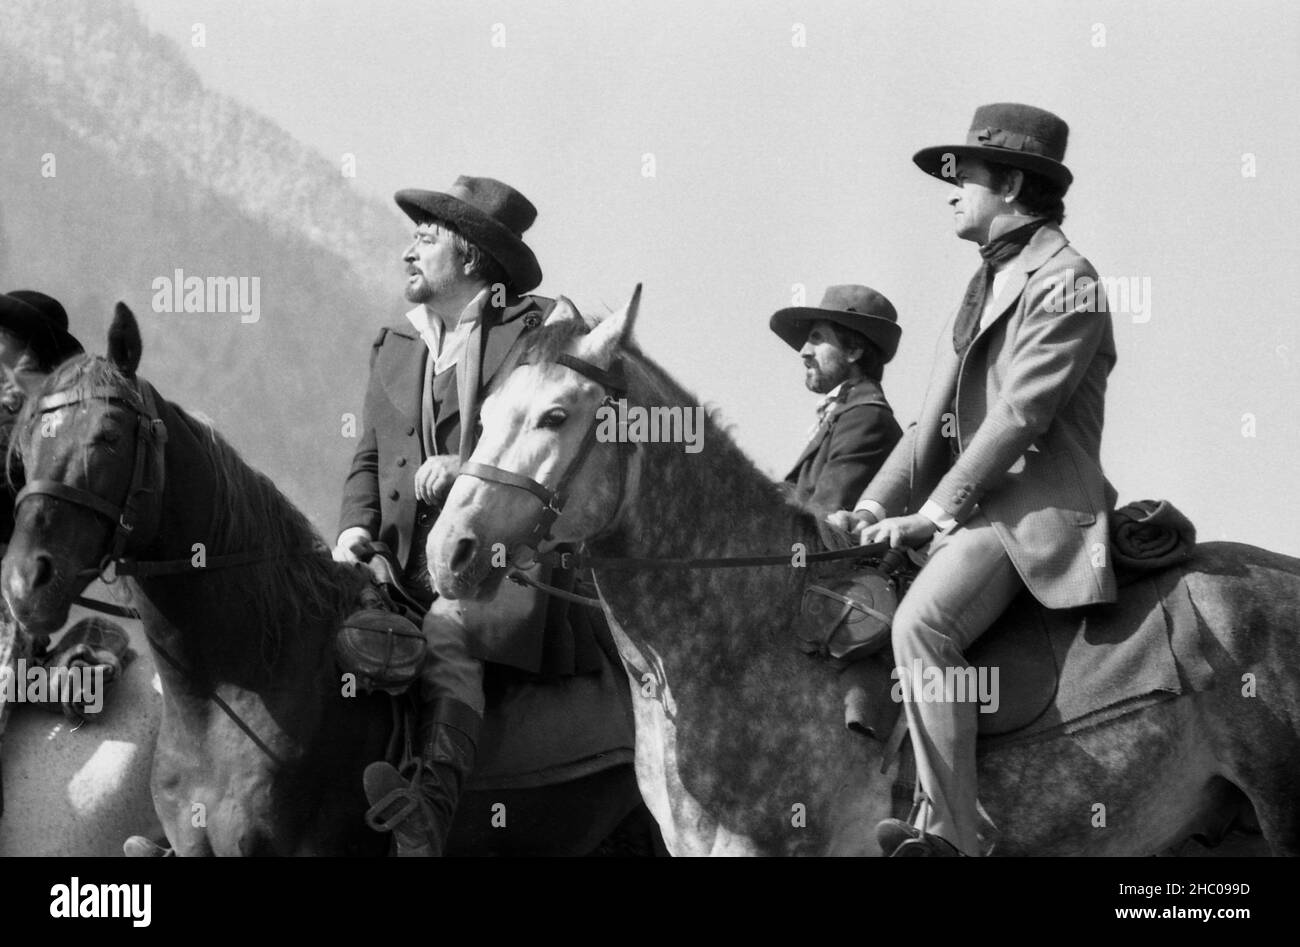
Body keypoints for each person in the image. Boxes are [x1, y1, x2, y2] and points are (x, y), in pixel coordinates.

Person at [830, 104, 1118, 856]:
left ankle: (947, 837)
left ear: (1012, 185)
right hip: (974, 508)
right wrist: (869, 505)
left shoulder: (1069, 280)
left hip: (1031, 508)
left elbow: (1021, 412)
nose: (951, 193)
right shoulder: (982, 285)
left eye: (965, 178)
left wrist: (931, 515)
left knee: (919, 625)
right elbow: (928, 425)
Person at [334, 176, 609, 856]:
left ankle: (429, 807)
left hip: (506, 568)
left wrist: (461, 469)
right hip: (397, 562)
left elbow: (541, 443)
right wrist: (353, 528)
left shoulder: (542, 334)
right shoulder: (394, 343)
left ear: (471, 256)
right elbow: (368, 456)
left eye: (425, 239)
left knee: (445, 630)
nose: (408, 252)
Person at [770, 285, 903, 516]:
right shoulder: (846, 415)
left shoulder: (866, 418)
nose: (804, 351)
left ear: (853, 351)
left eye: (817, 338)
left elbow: (821, 520)